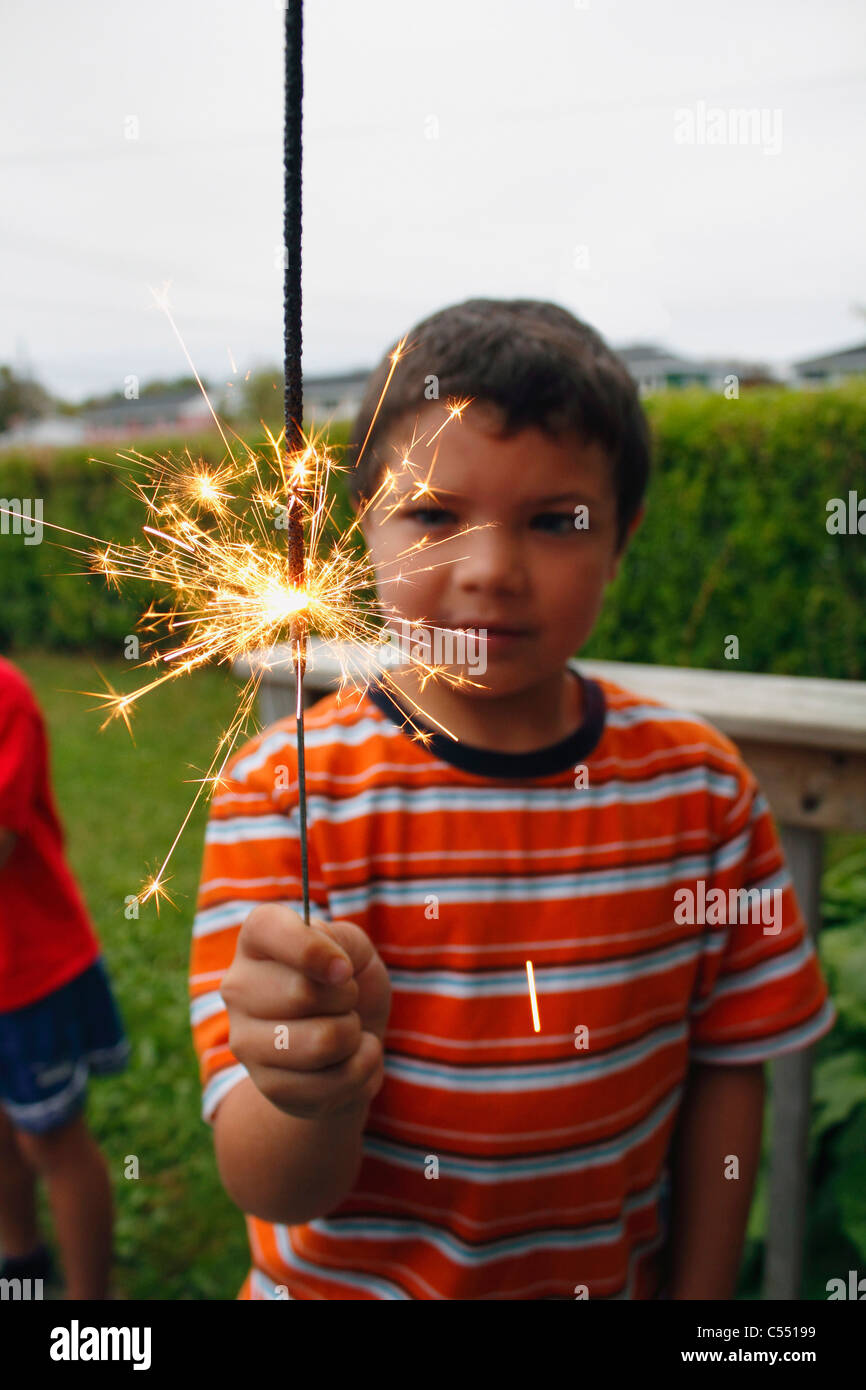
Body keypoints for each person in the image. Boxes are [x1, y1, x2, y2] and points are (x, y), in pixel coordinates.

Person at [189, 298, 835, 1300]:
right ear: (362, 531)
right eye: (434, 515)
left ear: (622, 539)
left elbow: (726, 1080)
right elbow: (272, 1187)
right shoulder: (285, 791)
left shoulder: (702, 793)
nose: (488, 571)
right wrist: (306, 1090)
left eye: (553, 521)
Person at [0, 656, 130, 1299]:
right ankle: (21, 1260)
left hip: (28, 969)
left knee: (49, 1137)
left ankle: (89, 1317)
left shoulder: (6, 696)